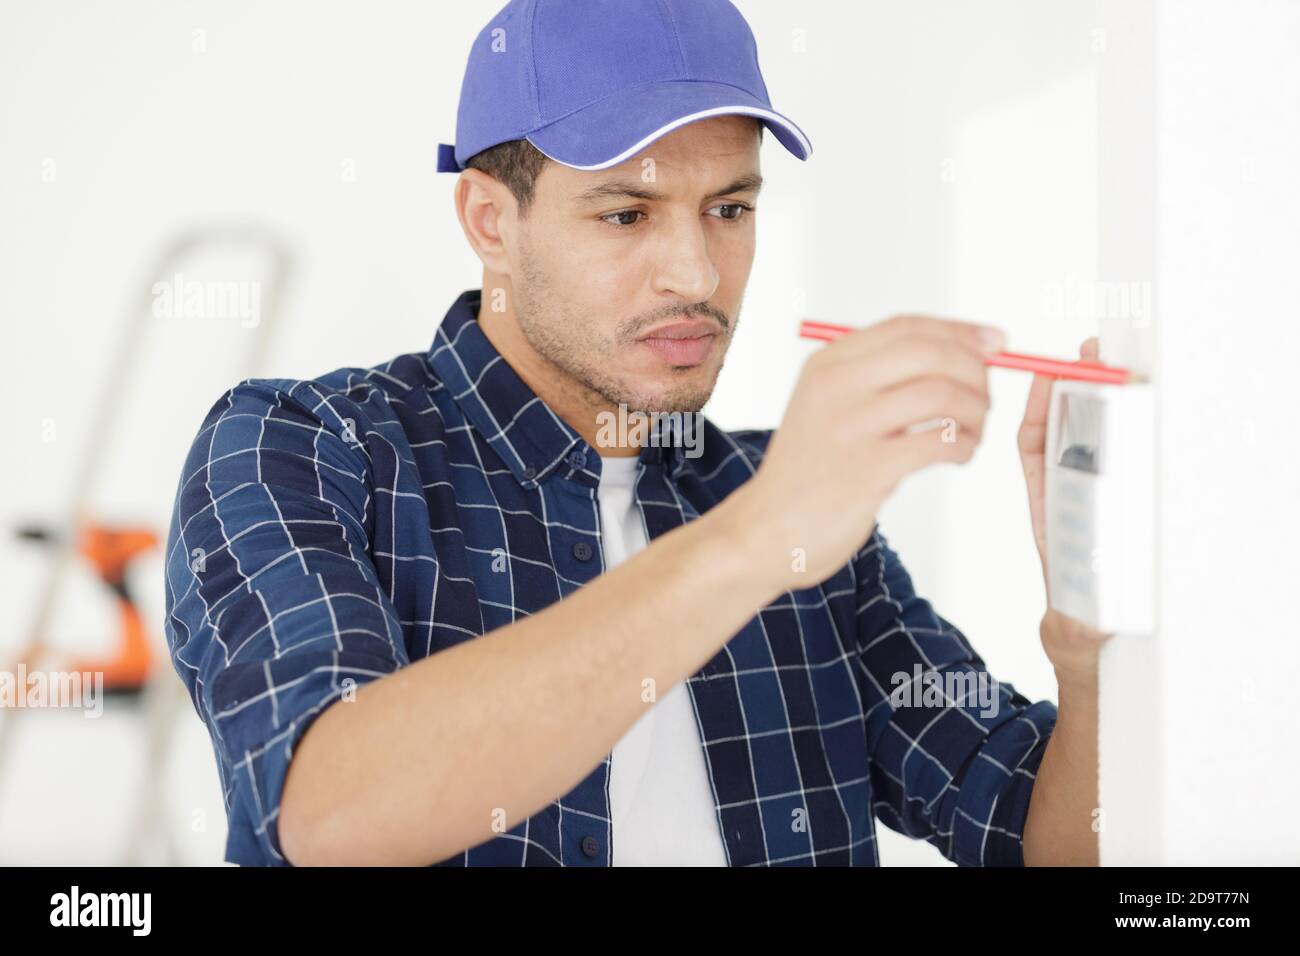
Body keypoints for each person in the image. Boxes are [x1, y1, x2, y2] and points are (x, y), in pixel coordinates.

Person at [163, 0, 1109, 867]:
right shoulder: (300, 448)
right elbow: (330, 811)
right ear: (490, 219)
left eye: (731, 208)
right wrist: (754, 539)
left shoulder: (790, 502)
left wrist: (1092, 634)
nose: (696, 274)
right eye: (627, 213)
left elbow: (1049, 839)